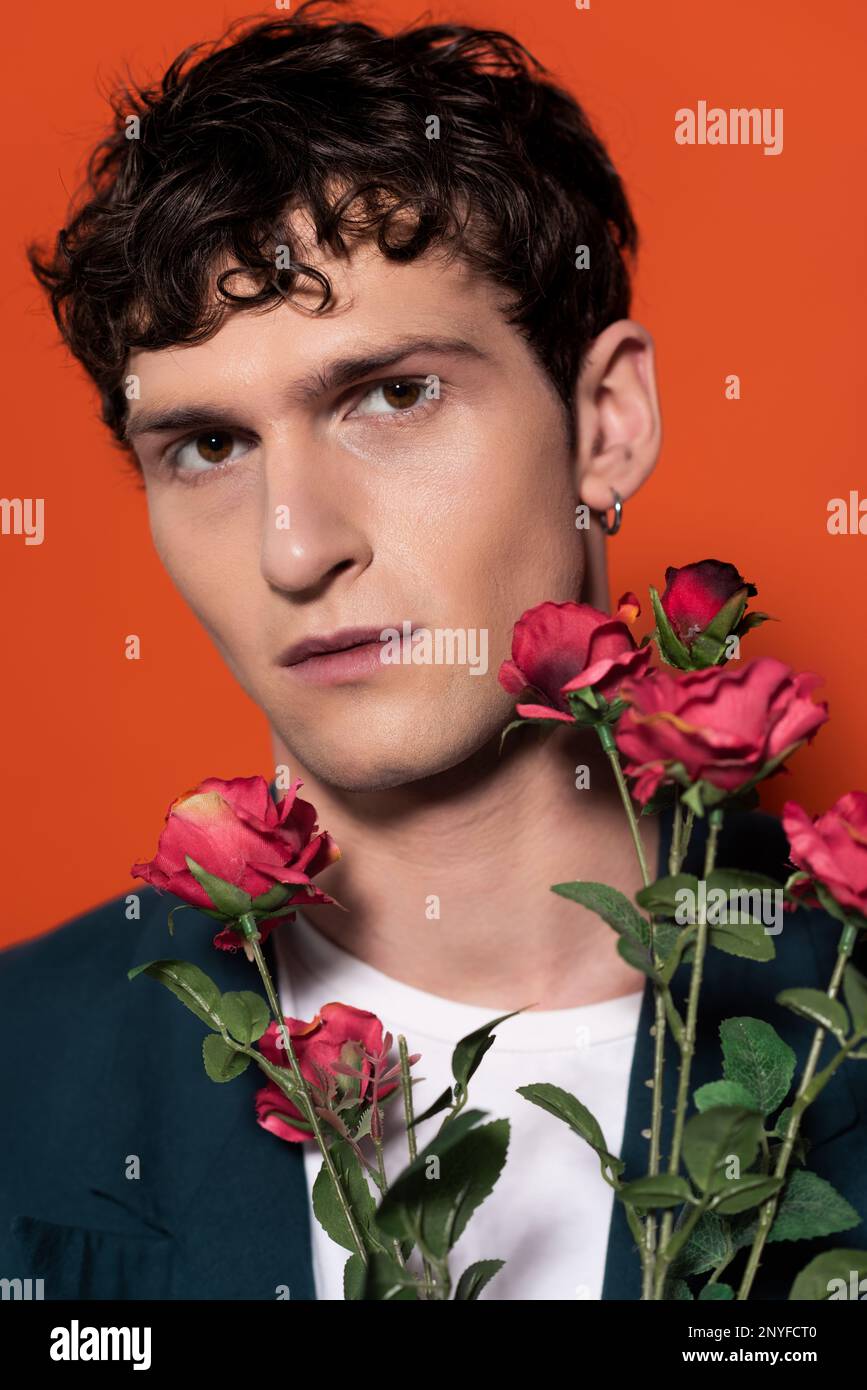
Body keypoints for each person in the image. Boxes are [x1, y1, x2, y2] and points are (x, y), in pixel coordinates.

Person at [2, 4, 864, 1301]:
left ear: (607, 425)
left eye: (390, 396)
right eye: (209, 447)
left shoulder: (834, 1035)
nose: (296, 549)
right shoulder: (25, 1073)